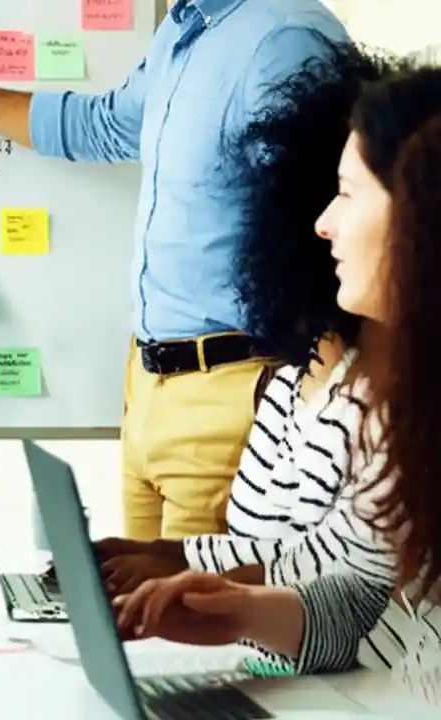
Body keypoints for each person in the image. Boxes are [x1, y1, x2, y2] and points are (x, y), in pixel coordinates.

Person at [0, 0, 349, 539]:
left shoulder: (286, 39)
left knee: (202, 614)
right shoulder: (184, 29)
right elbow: (98, 126)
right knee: (138, 614)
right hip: (148, 387)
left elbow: (324, 224)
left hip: (232, 391)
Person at [115, 69, 441, 696]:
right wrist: (239, 610)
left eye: (347, 194)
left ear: (421, 211)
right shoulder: (409, 405)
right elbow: (373, 616)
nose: (322, 224)